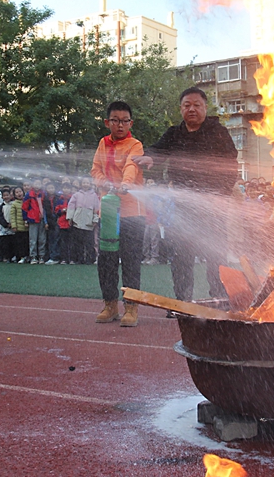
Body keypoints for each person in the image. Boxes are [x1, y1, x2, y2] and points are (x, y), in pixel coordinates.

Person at [134, 87, 239, 303]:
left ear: (205, 107)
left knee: (215, 255)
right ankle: (183, 301)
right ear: (181, 109)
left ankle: (219, 298)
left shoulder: (218, 132)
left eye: (196, 105)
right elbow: (158, 149)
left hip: (213, 206)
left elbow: (230, 166)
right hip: (184, 206)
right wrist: (150, 158)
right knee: (181, 256)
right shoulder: (174, 133)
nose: (191, 109)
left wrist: (221, 196)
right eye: (186, 105)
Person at [91, 101, 146, 327]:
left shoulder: (135, 144)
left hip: (132, 211)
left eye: (124, 121)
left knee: (131, 261)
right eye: (115, 120)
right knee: (106, 261)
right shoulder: (102, 144)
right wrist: (105, 183)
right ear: (107, 122)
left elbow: (132, 167)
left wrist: (125, 184)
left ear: (130, 123)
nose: (120, 125)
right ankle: (110, 304)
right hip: (109, 212)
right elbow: (95, 169)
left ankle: (131, 308)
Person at [67, 177, 100, 264]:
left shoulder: (94, 196)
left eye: (87, 183)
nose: (85, 184)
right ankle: (79, 259)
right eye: (84, 183)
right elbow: (71, 206)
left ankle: (90, 259)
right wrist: (70, 217)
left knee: (89, 242)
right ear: (81, 184)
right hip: (78, 222)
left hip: (89, 222)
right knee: (78, 242)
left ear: (90, 184)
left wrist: (95, 219)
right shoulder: (76, 195)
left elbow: (97, 209)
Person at [23, 179, 47, 264]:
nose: (37, 185)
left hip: (42, 220)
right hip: (32, 219)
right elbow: (24, 208)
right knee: (33, 239)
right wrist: (25, 219)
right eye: (35, 183)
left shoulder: (43, 194)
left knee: (42, 239)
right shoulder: (29, 195)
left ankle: (41, 256)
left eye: (39, 183)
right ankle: (33, 256)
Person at [10, 186, 30, 263]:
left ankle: (27, 256)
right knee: (20, 243)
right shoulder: (14, 204)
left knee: (27, 242)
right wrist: (14, 226)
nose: (19, 194)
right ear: (14, 194)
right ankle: (21, 256)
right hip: (19, 228)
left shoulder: (27, 201)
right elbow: (12, 215)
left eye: (20, 191)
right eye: (17, 192)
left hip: (27, 226)